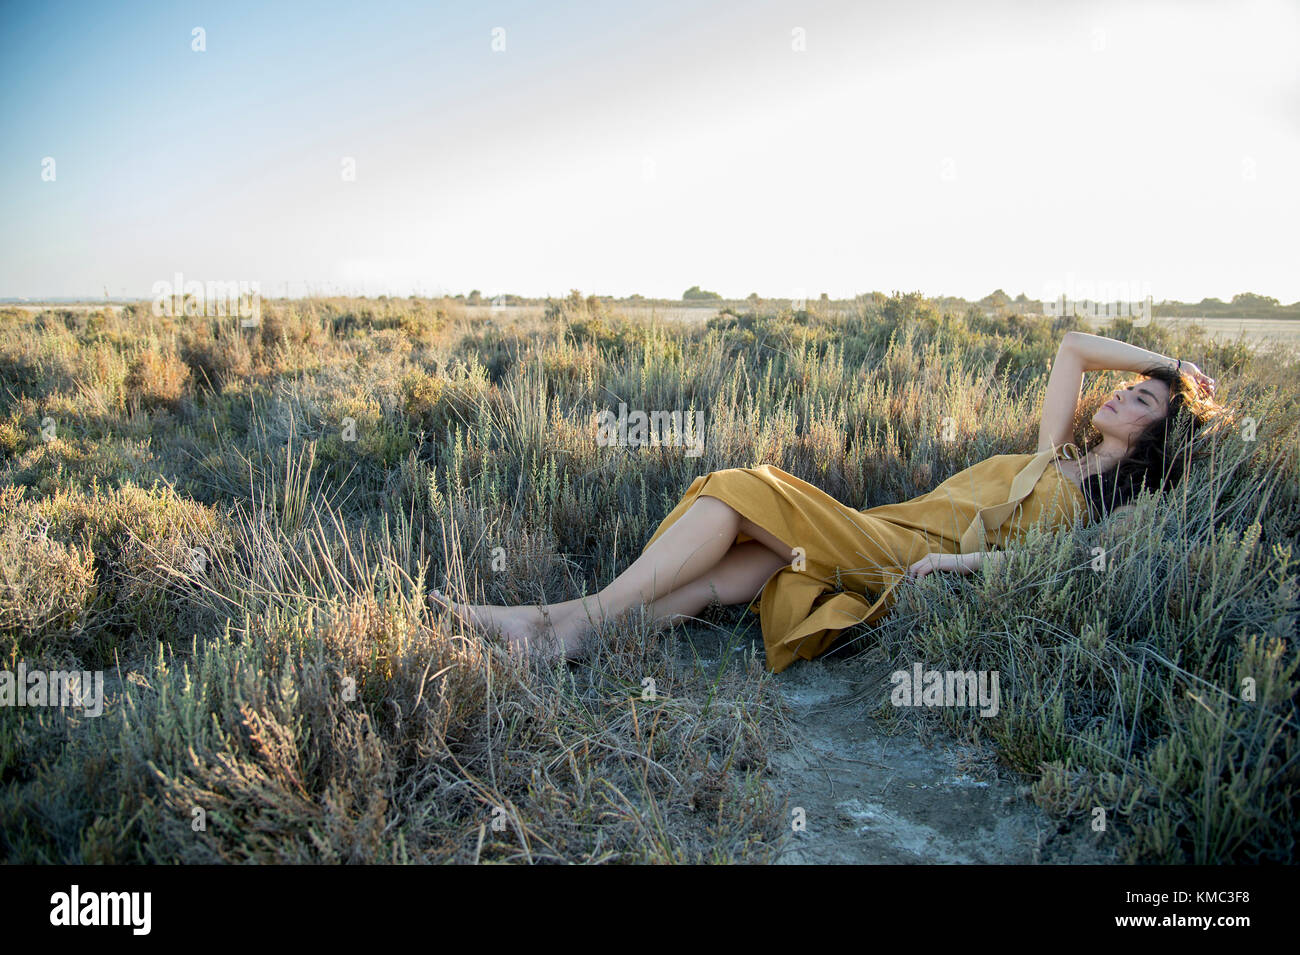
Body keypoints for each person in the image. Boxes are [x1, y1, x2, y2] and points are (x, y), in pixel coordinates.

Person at [429, 331, 1226, 672]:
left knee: (743, 488)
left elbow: (1053, 566)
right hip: (882, 531)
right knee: (742, 560)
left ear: (1155, 444)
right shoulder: (1055, 450)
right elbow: (1072, 349)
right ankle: (561, 630)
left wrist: (958, 559)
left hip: (908, 557)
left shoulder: (1100, 509)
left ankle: (555, 624)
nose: (1123, 396)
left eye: (1146, 403)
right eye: (1130, 388)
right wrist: (1172, 362)